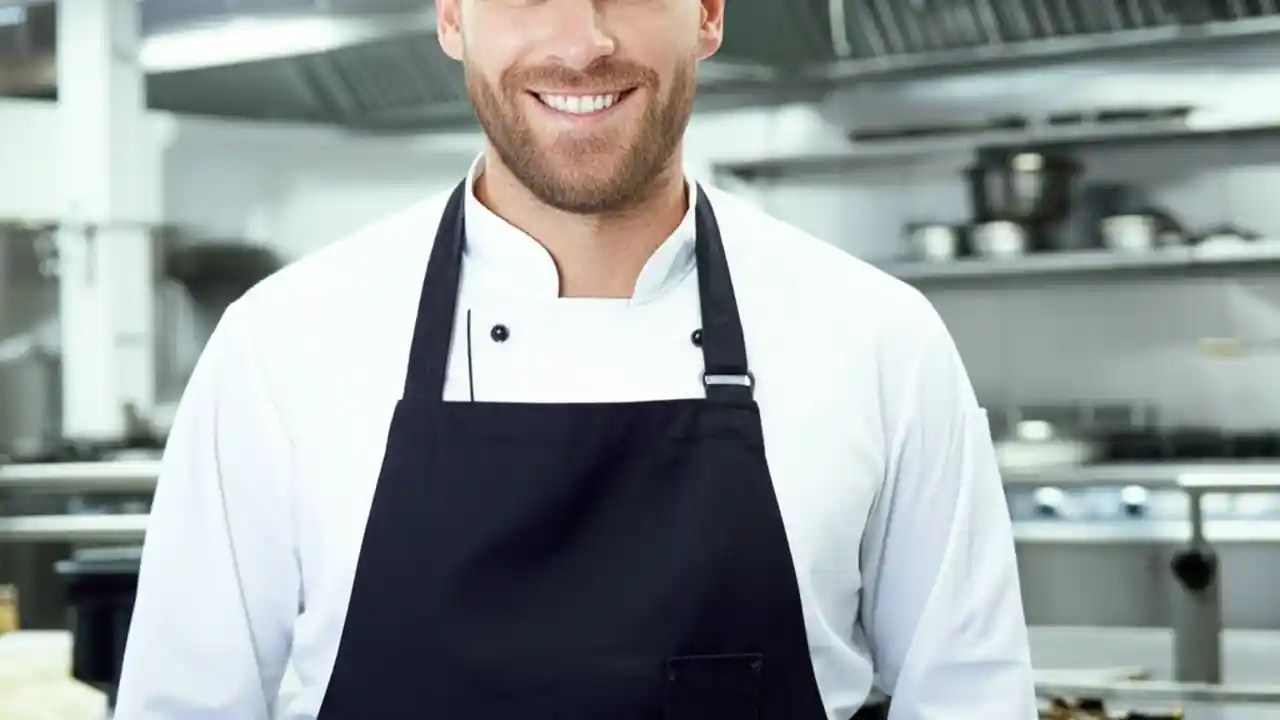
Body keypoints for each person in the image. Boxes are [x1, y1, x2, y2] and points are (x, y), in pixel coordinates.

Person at [116, 0, 1036, 717]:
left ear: (709, 12)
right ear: (451, 17)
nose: (583, 40)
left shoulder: (880, 340)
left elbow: (971, 701)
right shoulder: (282, 346)